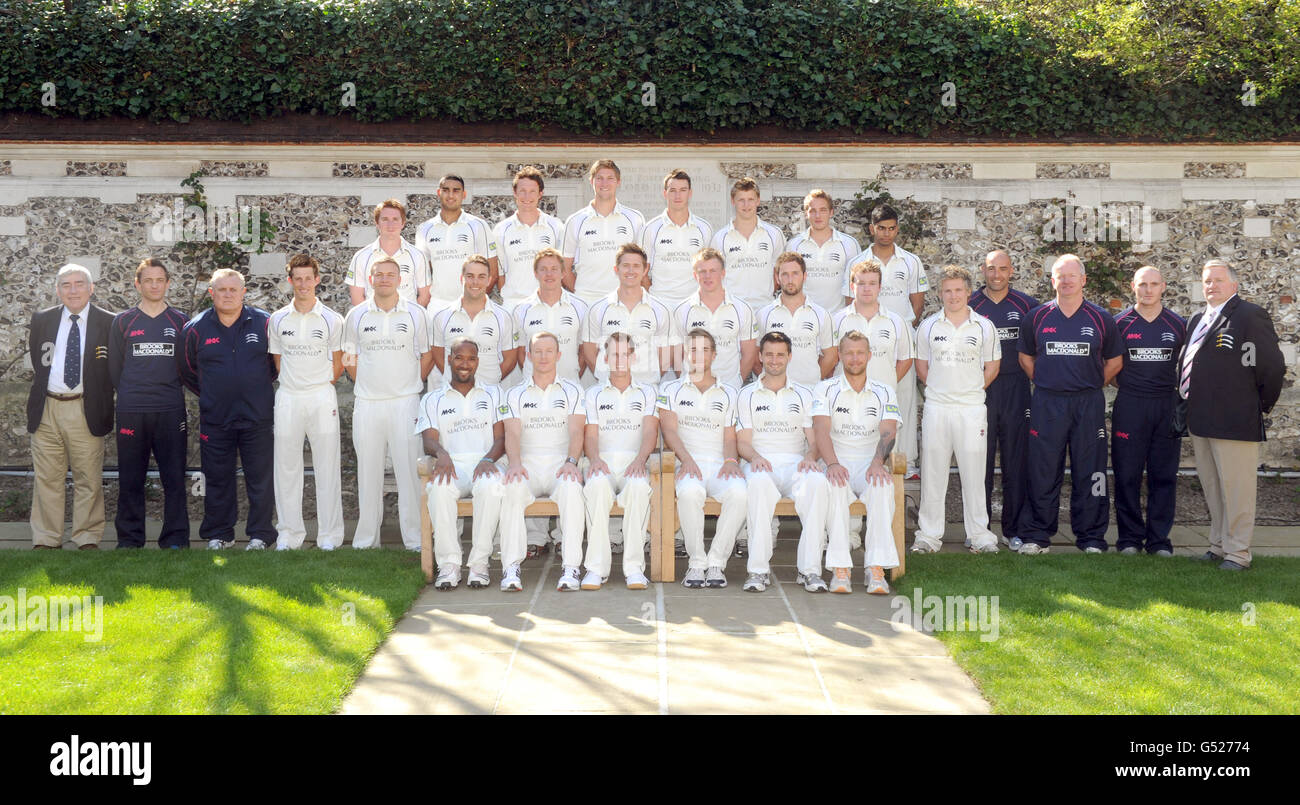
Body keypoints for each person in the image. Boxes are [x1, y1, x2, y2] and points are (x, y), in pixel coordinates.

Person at [1179, 260, 1284, 571]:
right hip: (1200, 418)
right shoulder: (1197, 318)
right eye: (1207, 281)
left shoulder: (1249, 316)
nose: (1211, 286)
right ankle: (1217, 545)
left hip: (1235, 420)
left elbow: (1272, 367)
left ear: (1234, 285)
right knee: (1212, 487)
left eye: (1218, 280)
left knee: (1237, 490)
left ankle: (1238, 553)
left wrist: (1257, 404)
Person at [1016, 255, 1123, 554]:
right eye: (1060, 276)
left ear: (1083, 280)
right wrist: (1048, 380)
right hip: (1047, 402)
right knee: (1042, 469)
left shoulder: (1101, 318)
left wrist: (1090, 382)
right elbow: (1025, 357)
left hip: (1087, 402)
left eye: (1071, 275)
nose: (1066, 281)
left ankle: (1091, 537)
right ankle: (1037, 534)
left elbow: (1115, 361)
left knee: (1091, 471)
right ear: (1053, 280)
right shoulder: (1036, 317)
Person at [180, 269, 277, 550]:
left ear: (243, 291)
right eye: (221, 290)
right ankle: (220, 534)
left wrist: (251, 388)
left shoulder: (264, 323)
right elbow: (187, 371)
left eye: (233, 289)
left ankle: (260, 534)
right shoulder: (195, 329)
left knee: (260, 478)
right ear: (212, 293)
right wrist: (214, 394)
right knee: (218, 478)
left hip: (256, 416)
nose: (228, 294)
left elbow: (274, 366)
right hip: (216, 418)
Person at [342, 257, 435, 551]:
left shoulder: (417, 314)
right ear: (370, 279)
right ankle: (367, 541)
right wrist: (368, 385)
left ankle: (415, 539)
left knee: (409, 472)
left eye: (390, 275)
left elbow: (427, 356)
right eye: (378, 274)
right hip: (368, 403)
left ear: (400, 280)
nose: (384, 279)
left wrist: (408, 385)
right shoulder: (356, 315)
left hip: (405, 403)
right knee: (368, 472)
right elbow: (349, 359)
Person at [912, 266, 1001, 554]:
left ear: (968, 293)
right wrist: (944, 390)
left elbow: (992, 367)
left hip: (971, 409)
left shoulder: (984, 326)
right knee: (933, 473)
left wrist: (970, 391)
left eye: (958, 290)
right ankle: (928, 536)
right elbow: (922, 368)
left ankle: (979, 535)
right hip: (937, 407)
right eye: (947, 290)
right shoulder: (928, 326)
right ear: (940, 294)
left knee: (974, 474)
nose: (953, 295)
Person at [28, 263, 115, 550]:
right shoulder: (42, 319)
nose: (73, 290)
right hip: (47, 408)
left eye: (79, 284)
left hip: (85, 408)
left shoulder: (110, 322)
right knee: (47, 479)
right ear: (57, 290)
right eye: (66, 285)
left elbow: (114, 367)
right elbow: (39, 360)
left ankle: (86, 538)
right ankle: (46, 539)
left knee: (88, 478)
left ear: (91, 289)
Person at [735, 332, 830, 593]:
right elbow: (742, 442)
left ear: (789, 356)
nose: (774, 360)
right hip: (760, 463)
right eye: (769, 354)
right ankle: (757, 571)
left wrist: (811, 457)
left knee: (818, 483)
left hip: (796, 463)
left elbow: (815, 440)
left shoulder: (804, 394)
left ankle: (810, 571)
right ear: (761, 357)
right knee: (758, 485)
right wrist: (755, 458)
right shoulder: (746, 395)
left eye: (780, 355)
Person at [108, 258, 190, 550]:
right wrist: (134, 393)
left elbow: (188, 366)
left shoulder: (180, 321)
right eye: (148, 281)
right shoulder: (123, 321)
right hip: (132, 411)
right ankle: (130, 540)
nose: (154, 285)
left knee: (174, 479)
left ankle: (176, 540)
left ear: (168, 284)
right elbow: (115, 369)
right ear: (137, 284)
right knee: (131, 479)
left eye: (160, 280)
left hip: (170, 410)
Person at [267, 253, 346, 551]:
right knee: (286, 469)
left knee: (327, 467)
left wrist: (317, 385)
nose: (303, 284)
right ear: (290, 281)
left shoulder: (332, 319)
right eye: (297, 279)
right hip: (288, 397)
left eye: (307, 278)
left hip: (321, 397)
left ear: (317, 280)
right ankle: (289, 535)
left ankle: (330, 536)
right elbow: (278, 362)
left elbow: (338, 366)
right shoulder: (277, 319)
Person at [658, 328, 747, 589]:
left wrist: (731, 462)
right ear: (686, 354)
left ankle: (717, 562)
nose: (698, 355)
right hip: (686, 463)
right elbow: (669, 430)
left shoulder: (730, 392)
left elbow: (730, 437)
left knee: (740, 494)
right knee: (689, 495)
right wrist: (686, 460)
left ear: (714, 355)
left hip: (720, 465)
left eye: (704, 350)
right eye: (693, 349)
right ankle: (696, 563)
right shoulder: (670, 389)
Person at [813, 331, 900, 594]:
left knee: (883, 488)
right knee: (836, 488)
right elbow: (820, 430)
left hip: (869, 460)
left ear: (869, 356)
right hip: (836, 459)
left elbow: (889, 431)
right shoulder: (825, 389)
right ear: (839, 356)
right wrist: (832, 464)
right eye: (849, 352)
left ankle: (876, 568)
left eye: (860, 352)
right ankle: (841, 568)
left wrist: (877, 463)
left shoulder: (885, 391)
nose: (854, 358)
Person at [843, 204, 927, 476]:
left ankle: (906, 463)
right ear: (872, 229)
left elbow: (917, 305)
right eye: (881, 228)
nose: (886, 233)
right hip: (861, 342)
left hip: (898, 340)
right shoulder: (858, 262)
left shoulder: (911, 261)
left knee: (901, 403)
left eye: (891, 228)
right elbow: (849, 302)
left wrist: (898, 330)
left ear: (897, 229)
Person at [499, 333, 586, 592]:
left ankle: (571, 567)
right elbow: (512, 433)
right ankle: (511, 568)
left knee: (572, 490)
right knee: (512, 490)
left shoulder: (573, 390)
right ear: (528, 356)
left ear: (559, 356)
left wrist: (572, 462)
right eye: (538, 351)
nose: (544, 357)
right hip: (528, 464)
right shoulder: (514, 393)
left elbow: (577, 432)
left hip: (561, 464)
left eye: (549, 351)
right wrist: (514, 463)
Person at [418, 338, 506, 589]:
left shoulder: (494, 393)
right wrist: (442, 454)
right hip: (451, 465)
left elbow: (501, 437)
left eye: (470, 358)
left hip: (487, 461)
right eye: (459, 357)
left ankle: (479, 563)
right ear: (449, 360)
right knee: (438, 489)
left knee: (491, 487)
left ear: (477, 362)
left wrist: (488, 459)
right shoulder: (433, 399)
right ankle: (449, 565)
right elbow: (429, 441)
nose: (464, 364)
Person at [1110, 266, 1186, 557]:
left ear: (1163, 286)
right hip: (1130, 404)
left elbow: (1187, 366)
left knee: (1163, 475)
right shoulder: (1119, 324)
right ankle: (1129, 539)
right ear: (1133, 287)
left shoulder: (1178, 324)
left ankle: (1158, 541)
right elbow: (1113, 368)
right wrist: (1131, 387)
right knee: (1127, 474)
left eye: (1154, 284)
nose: (1148, 290)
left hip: (1165, 405)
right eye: (1143, 284)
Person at [968, 249, 1039, 551]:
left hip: (1016, 389)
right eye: (991, 269)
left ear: (1012, 271)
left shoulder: (1029, 306)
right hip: (980, 390)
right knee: (979, 463)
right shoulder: (970, 304)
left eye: (1002, 269)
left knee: (1016, 461)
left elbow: (1038, 350)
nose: (996, 275)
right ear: (982, 270)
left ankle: (1014, 529)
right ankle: (979, 530)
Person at [581, 333, 659, 590]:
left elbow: (650, 431)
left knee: (638, 488)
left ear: (633, 357)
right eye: (614, 354)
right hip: (602, 462)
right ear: (605, 358)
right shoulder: (593, 393)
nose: (620, 360)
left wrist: (640, 459)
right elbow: (590, 434)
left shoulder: (648, 392)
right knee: (595, 488)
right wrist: (594, 459)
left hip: (633, 463)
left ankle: (634, 568)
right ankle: (595, 569)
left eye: (625, 354)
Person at [580, 243, 675, 387]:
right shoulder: (597, 308)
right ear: (616, 269)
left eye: (636, 266)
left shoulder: (661, 310)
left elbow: (666, 355)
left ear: (645, 270)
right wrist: (609, 379)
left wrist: (648, 380)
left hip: (647, 389)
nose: (631, 270)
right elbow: (589, 352)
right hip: (608, 390)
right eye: (625, 265)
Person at [670, 247, 757, 391]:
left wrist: (735, 384)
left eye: (713, 271)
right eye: (702, 271)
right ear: (694, 275)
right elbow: (677, 353)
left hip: (729, 389)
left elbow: (749, 354)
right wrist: (687, 381)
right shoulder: (682, 310)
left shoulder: (742, 309)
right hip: (692, 390)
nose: (707, 276)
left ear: (723, 273)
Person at [562, 159, 645, 302]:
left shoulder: (635, 219)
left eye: (610, 178)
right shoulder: (575, 221)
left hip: (624, 300)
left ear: (618, 182)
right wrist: (581, 294)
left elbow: (643, 265)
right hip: (586, 301)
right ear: (591, 181)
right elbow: (564, 268)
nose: (604, 184)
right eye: (599, 178)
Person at [429, 255, 516, 389]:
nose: (475, 282)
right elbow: (438, 355)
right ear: (461, 279)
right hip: (453, 395)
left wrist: (490, 384)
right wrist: (459, 382)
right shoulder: (442, 316)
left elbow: (510, 360)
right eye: (470, 276)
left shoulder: (504, 317)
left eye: (481, 276)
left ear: (489, 280)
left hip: (489, 396)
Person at [415, 174, 496, 313]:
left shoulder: (478, 226)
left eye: (456, 190)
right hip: (437, 306)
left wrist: (475, 300)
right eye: (446, 190)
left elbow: (492, 272)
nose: (451, 195)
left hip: (470, 305)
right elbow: (424, 273)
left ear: (464, 194)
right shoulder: (424, 229)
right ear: (439, 193)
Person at [755, 251, 837, 388]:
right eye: (785, 274)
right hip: (772, 393)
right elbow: (754, 357)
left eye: (795, 273)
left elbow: (831, 357)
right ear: (777, 278)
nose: (790, 280)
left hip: (809, 392)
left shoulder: (821, 314)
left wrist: (811, 381)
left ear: (804, 276)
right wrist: (771, 382)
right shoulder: (763, 315)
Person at [510, 247, 589, 387]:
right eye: (543, 269)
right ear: (535, 273)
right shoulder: (521, 310)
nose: (549, 274)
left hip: (570, 388)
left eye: (554, 269)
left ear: (563, 273)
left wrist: (572, 379)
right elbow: (521, 353)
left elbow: (584, 351)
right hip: (533, 389)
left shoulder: (580, 307)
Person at [709, 177, 786, 313]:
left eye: (750, 199)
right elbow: (715, 276)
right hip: (731, 309)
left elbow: (779, 272)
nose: (746, 205)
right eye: (741, 200)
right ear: (733, 201)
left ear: (758, 201)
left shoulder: (774, 234)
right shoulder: (720, 238)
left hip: (766, 309)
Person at [494, 166, 565, 310]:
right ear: (515, 193)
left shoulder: (556, 227)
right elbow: (500, 273)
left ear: (540, 194)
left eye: (532, 191)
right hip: (513, 306)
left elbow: (563, 269)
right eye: (522, 191)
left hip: (548, 305)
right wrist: (511, 297)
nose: (527, 197)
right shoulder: (501, 230)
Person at [640, 169, 714, 309]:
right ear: (665, 193)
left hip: (694, 305)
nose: (678, 195)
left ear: (690, 193)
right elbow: (642, 271)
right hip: (659, 305)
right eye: (672, 190)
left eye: (683, 190)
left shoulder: (704, 228)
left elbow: (709, 269)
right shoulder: (651, 228)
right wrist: (655, 299)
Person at [785, 189, 861, 312]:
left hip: (837, 318)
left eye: (823, 210)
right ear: (806, 213)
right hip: (804, 318)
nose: (818, 216)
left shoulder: (849, 244)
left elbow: (856, 286)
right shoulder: (794, 245)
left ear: (831, 212)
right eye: (813, 211)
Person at [346, 198, 431, 308]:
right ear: (377, 223)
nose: (390, 224)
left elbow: (425, 295)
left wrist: (410, 317)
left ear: (403, 223)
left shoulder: (418, 256)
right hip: (373, 321)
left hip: (406, 322)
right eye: (385, 219)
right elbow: (357, 297)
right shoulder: (361, 257)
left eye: (395, 219)